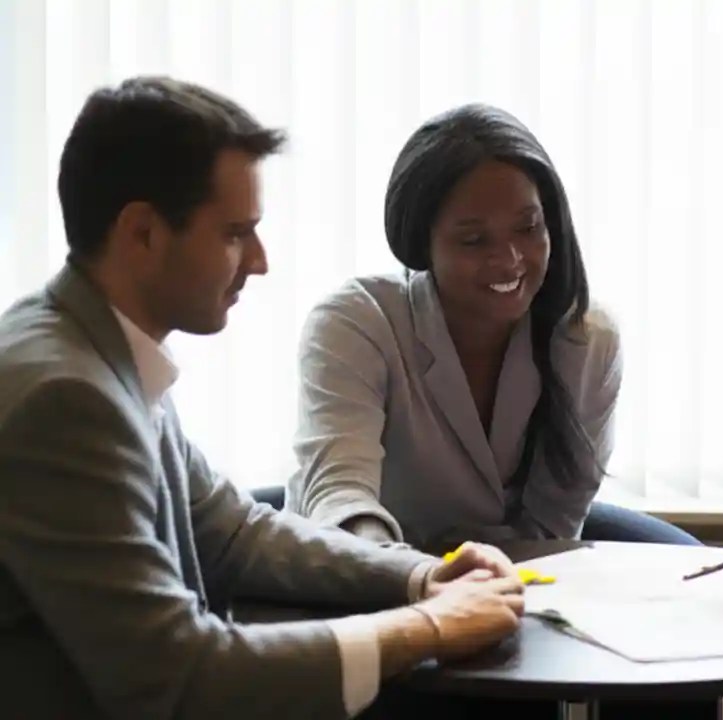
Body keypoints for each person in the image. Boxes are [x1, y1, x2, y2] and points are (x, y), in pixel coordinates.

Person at [0, 76, 528, 720]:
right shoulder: (66, 399)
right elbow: (179, 676)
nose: (260, 260)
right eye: (234, 233)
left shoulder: (94, 346)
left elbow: (235, 534)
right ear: (142, 234)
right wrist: (431, 627)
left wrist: (420, 576)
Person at [285, 102, 698, 551]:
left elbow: (555, 526)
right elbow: (339, 498)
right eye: (474, 240)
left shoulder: (587, 339)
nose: (509, 260)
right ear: (423, 243)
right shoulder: (355, 323)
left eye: (528, 228)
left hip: (511, 581)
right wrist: (409, 575)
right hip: (363, 575)